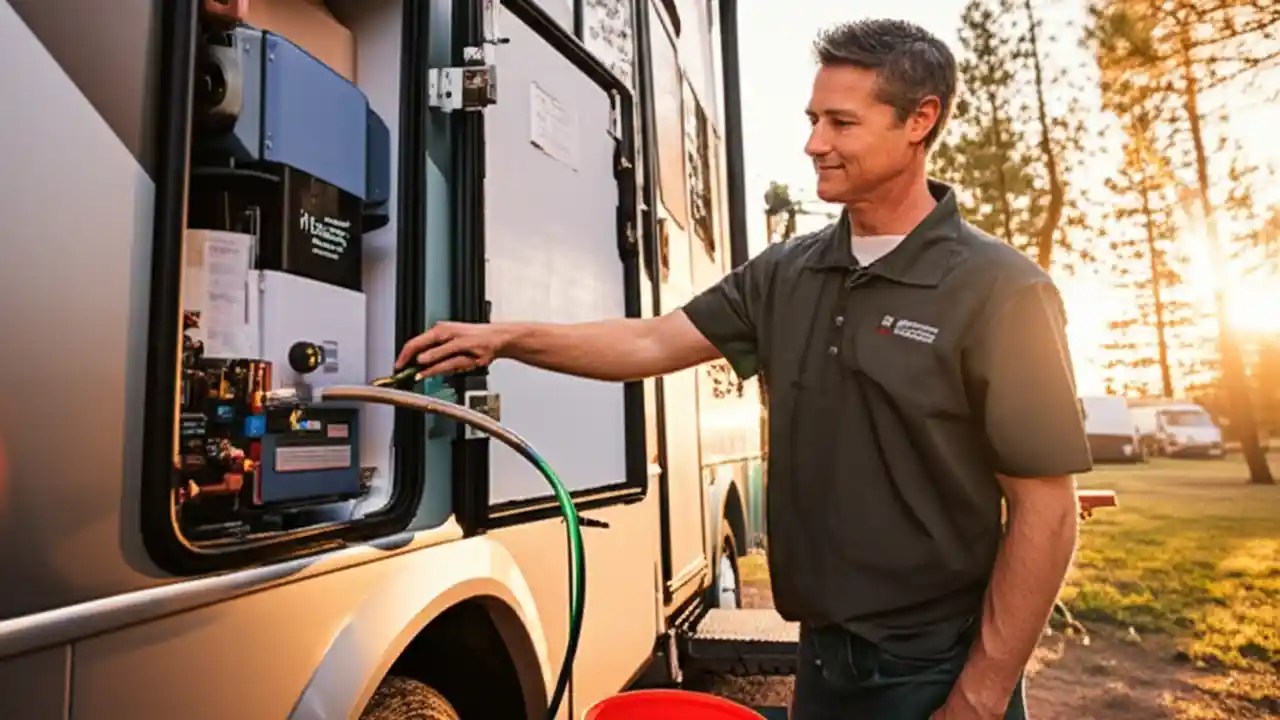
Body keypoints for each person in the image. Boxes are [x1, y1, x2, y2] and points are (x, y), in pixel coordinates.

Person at [396, 17, 1092, 720]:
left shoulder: (1002, 290)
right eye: (813, 118)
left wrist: (979, 696)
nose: (814, 143)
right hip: (822, 661)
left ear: (921, 120)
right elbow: (650, 343)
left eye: (841, 123)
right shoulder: (789, 271)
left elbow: (1047, 511)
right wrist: (508, 337)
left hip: (937, 666)